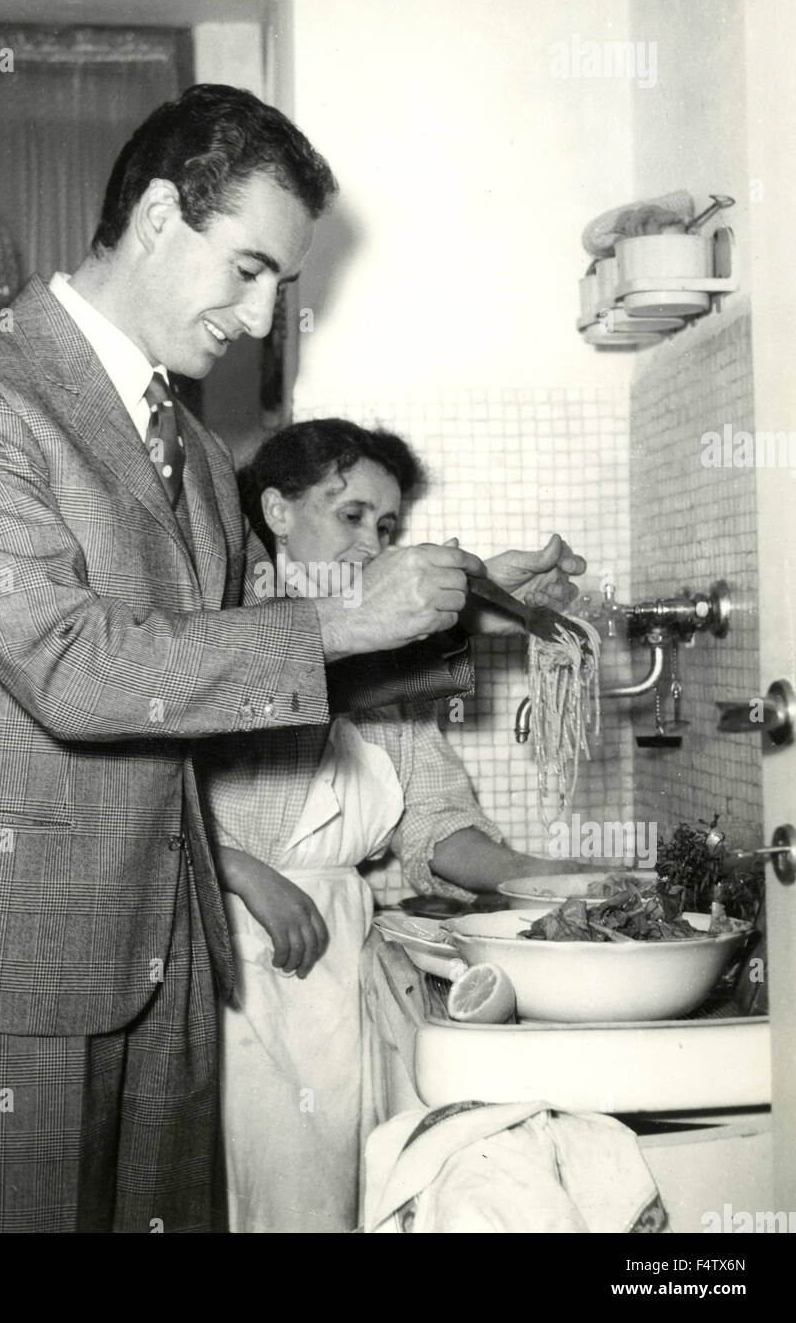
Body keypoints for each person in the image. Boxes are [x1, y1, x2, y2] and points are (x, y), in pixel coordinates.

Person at [0, 84, 582, 1233]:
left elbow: (243, 669)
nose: (257, 320)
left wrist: (468, 609)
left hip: (177, 952)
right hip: (10, 965)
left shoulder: (192, 448)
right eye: (246, 269)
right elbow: (76, 668)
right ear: (156, 214)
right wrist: (346, 620)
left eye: (279, 288)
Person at [205, 419, 583, 1234]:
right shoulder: (223, 629)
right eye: (350, 516)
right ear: (275, 509)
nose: (369, 543)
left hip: (342, 970)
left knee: (347, 1197)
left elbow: (437, 828)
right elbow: (149, 804)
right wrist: (245, 872)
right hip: (233, 962)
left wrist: (547, 876)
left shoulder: (392, 663)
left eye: (385, 528)